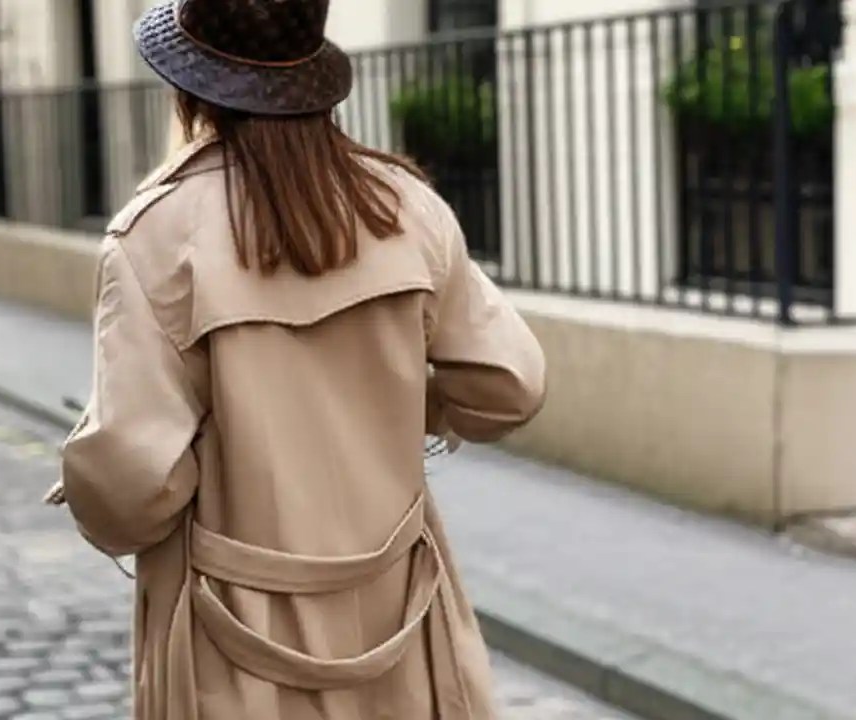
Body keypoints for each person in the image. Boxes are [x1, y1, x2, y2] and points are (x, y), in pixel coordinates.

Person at [50, 1, 546, 718]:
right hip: (397, 614)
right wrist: (406, 398)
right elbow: (510, 385)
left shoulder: (152, 237)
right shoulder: (405, 207)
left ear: (191, 89)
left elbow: (129, 491)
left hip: (231, 632)